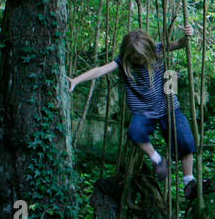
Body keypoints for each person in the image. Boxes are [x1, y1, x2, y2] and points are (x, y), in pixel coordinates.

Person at [69, 25, 201, 199]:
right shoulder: (123, 62)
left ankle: (189, 181)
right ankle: (157, 160)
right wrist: (76, 80)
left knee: (186, 140)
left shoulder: (159, 49)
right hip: (143, 111)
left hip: (168, 107)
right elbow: (100, 70)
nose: (139, 61)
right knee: (135, 132)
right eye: (135, 59)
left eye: (142, 58)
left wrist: (188, 35)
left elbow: (180, 44)